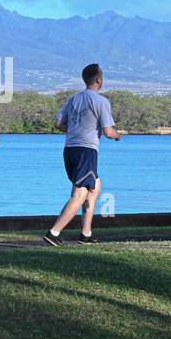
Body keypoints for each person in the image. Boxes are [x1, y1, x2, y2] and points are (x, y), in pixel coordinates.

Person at [43, 63, 120, 246]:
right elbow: (109, 132)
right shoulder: (101, 101)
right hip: (87, 151)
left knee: (95, 187)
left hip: (70, 150)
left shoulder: (74, 99)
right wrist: (118, 136)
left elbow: (58, 123)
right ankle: (53, 233)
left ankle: (86, 234)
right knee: (79, 194)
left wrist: (76, 130)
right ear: (99, 80)